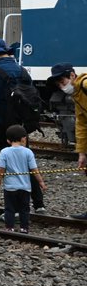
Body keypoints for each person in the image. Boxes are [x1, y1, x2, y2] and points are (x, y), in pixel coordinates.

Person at [0, 37, 45, 213]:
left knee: (7, 164)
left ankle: (14, 208)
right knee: (26, 161)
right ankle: (38, 204)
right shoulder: (22, 70)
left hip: (0, 125)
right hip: (20, 125)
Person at [47, 63, 87, 219]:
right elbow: (82, 124)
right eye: (59, 85)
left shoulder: (84, 84)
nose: (62, 86)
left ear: (72, 75)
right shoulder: (77, 95)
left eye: (62, 82)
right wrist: (81, 152)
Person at [0, 124, 46, 232]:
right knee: (24, 209)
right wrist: (41, 182)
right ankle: (24, 228)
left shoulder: (4, 152)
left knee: (9, 209)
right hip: (25, 187)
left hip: (10, 187)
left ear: (8, 140)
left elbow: (1, 170)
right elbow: (34, 170)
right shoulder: (28, 152)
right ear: (23, 138)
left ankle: (9, 227)